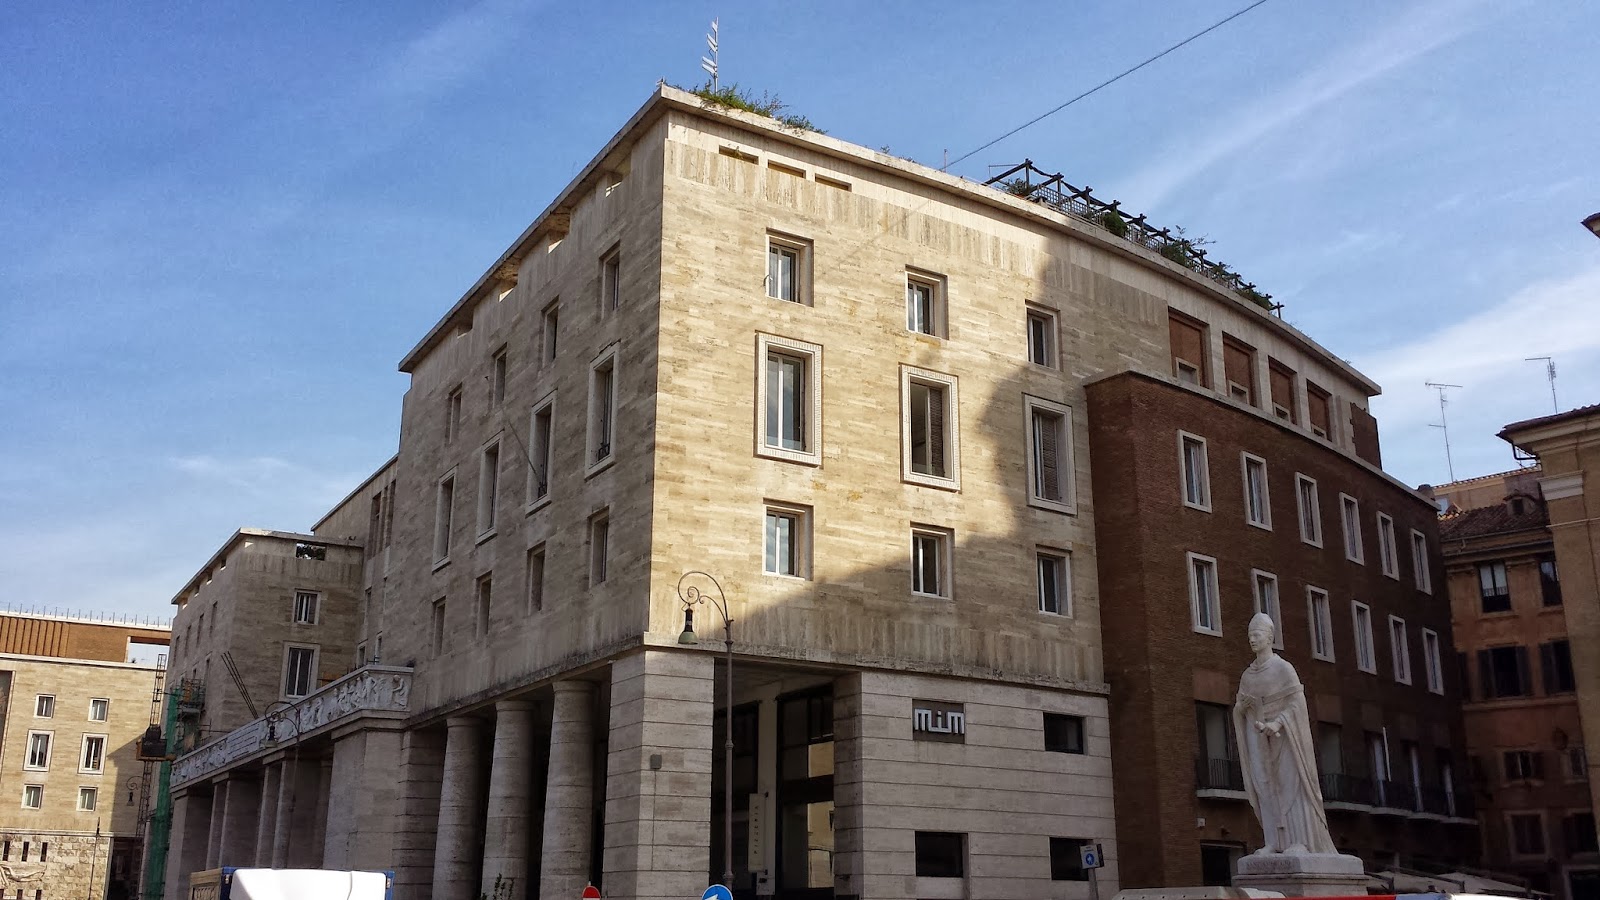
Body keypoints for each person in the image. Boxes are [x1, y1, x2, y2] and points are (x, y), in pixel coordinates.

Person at [1232, 613, 1336, 855]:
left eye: (1256, 635)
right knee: (1265, 785)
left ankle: (1300, 841)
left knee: (1291, 783)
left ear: (1269, 637)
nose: (1251, 640)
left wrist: (1279, 723)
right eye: (1249, 636)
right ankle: (1274, 841)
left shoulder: (1283, 669)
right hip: (1257, 736)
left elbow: (1297, 704)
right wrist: (1242, 709)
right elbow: (1239, 708)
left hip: (1285, 737)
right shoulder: (1247, 676)